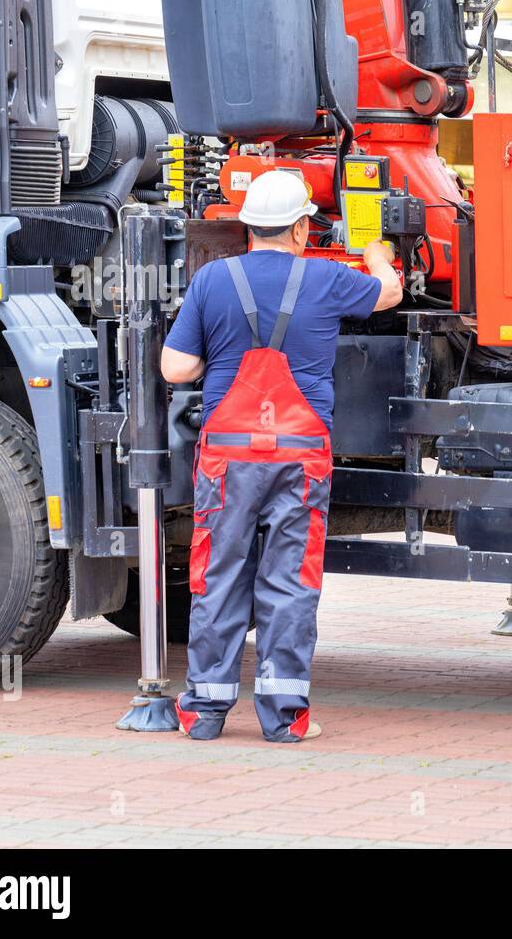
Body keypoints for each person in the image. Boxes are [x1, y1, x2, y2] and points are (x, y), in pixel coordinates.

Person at [160, 169, 403, 741]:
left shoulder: (213, 280)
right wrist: (376, 253)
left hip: (227, 457)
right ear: (300, 228)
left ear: (248, 230)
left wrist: (215, 359)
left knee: (217, 574)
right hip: (299, 456)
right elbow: (389, 295)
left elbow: (174, 368)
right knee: (292, 580)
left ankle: (203, 713)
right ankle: (285, 720)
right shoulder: (324, 278)